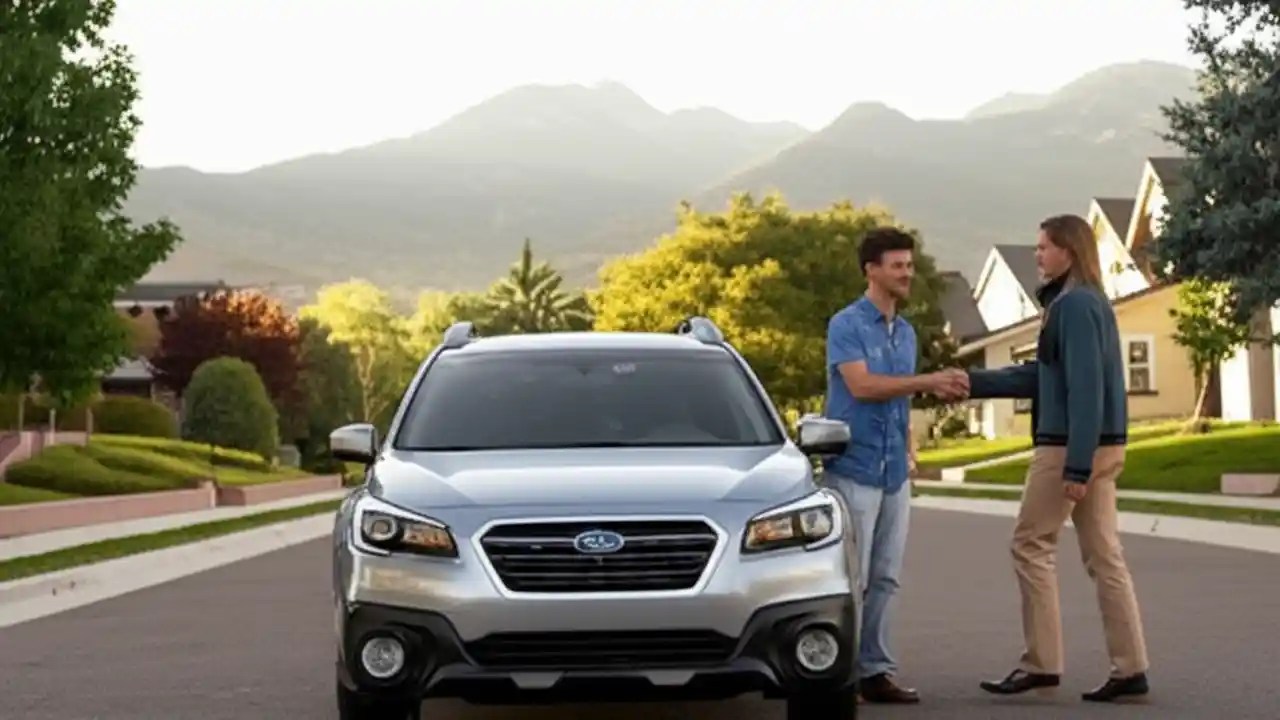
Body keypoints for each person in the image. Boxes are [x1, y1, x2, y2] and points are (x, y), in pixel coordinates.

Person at [962, 214, 1150, 703]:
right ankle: (1131, 667)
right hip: (1097, 443)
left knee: (1030, 544)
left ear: (1069, 250)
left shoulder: (1074, 307)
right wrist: (970, 383)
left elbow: (1084, 389)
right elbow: (1043, 377)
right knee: (1105, 557)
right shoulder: (1083, 305)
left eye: (1044, 247)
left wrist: (1076, 467)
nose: (1037, 255)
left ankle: (1042, 663)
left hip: (1069, 444)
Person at [823, 226, 968, 704]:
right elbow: (864, 388)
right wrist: (928, 380)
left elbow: (898, 401)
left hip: (892, 473)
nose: (907, 273)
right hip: (855, 469)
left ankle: (876, 672)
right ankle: (839, 677)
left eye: (908, 264)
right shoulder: (846, 325)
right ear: (872, 270)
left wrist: (909, 450)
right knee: (853, 578)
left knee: (886, 576)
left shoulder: (905, 331)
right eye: (897, 265)